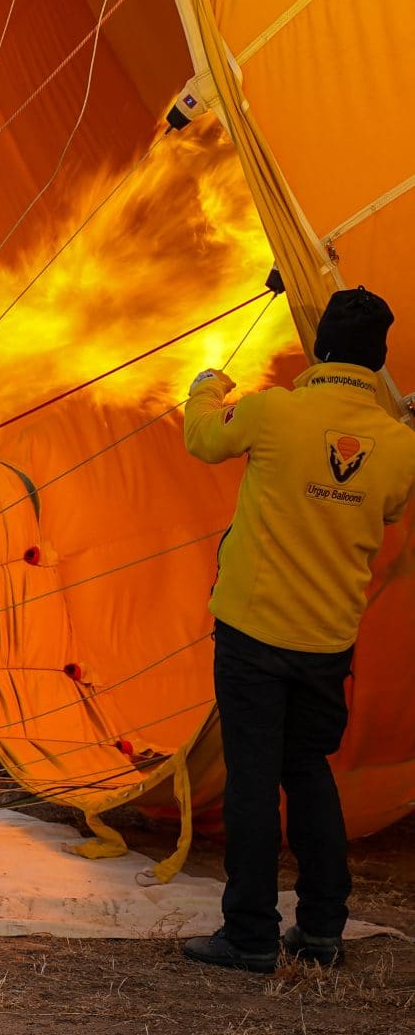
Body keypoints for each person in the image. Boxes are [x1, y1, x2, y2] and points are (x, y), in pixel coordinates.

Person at [181, 286, 415, 973]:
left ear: (319, 350)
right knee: (307, 772)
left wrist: (203, 386)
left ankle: (250, 933)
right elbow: (392, 506)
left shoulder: (273, 411)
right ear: (375, 363)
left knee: (250, 779)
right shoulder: (398, 444)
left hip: (253, 631)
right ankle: (320, 930)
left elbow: (203, 438)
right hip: (326, 640)